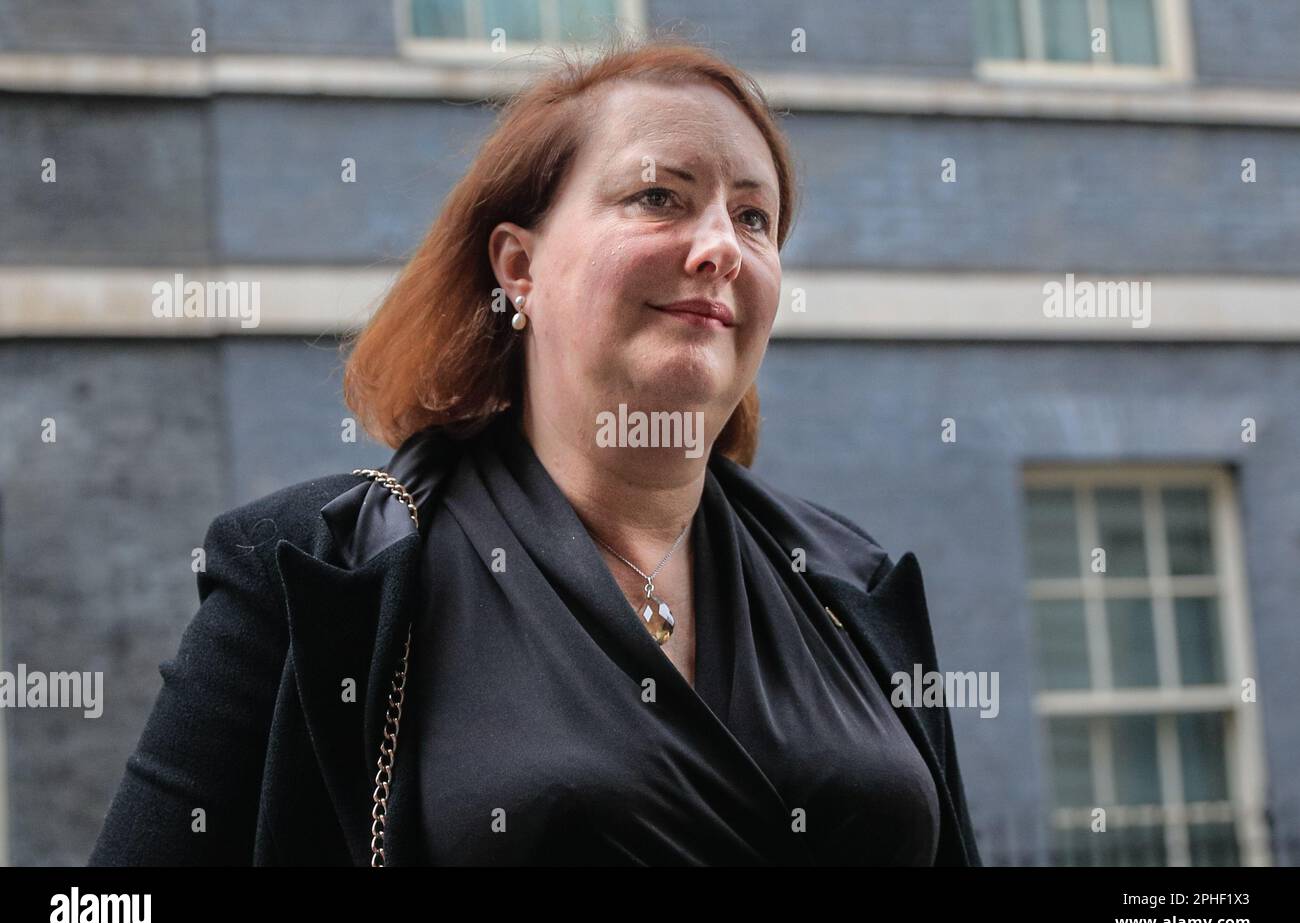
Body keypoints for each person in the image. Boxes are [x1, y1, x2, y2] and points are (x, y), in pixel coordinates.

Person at [89, 34, 982, 867]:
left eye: (754, 217)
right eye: (659, 196)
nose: (721, 248)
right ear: (519, 268)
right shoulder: (317, 572)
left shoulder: (852, 583)